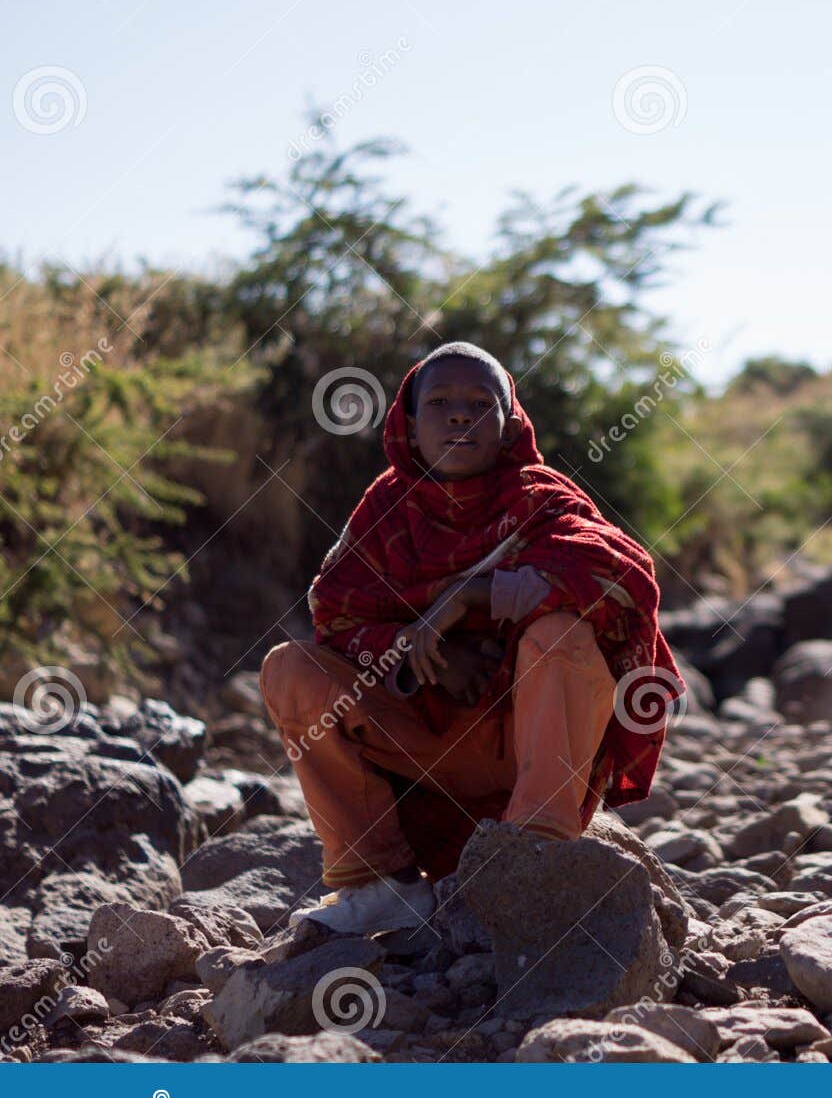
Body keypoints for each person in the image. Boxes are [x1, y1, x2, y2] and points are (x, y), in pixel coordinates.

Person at [258, 341, 681, 935]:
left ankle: (532, 860)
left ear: (509, 426)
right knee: (290, 669)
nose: (459, 415)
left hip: (528, 744)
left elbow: (623, 576)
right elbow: (335, 612)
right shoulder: (386, 510)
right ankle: (381, 886)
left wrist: (469, 596)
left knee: (562, 630)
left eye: (480, 403)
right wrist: (420, 649)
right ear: (408, 421)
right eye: (440, 402)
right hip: (423, 742)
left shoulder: (543, 499)